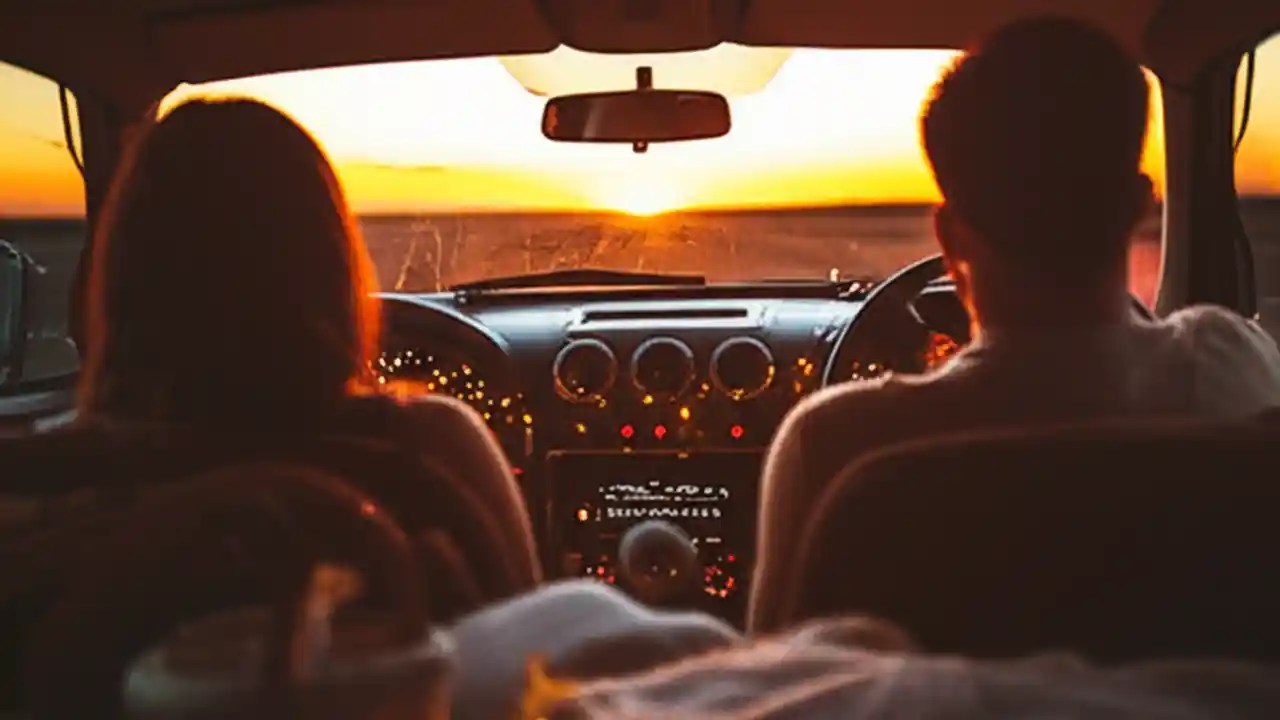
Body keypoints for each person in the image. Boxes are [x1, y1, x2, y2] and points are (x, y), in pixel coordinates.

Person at [749, 17, 1280, 631]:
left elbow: (781, 666)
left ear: (950, 238)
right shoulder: (1232, 367)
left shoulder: (832, 444)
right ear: (1137, 207)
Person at [74, 99, 539, 590]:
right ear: (330, 266)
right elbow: (523, 619)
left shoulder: (58, 479)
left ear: (119, 275)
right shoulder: (433, 446)